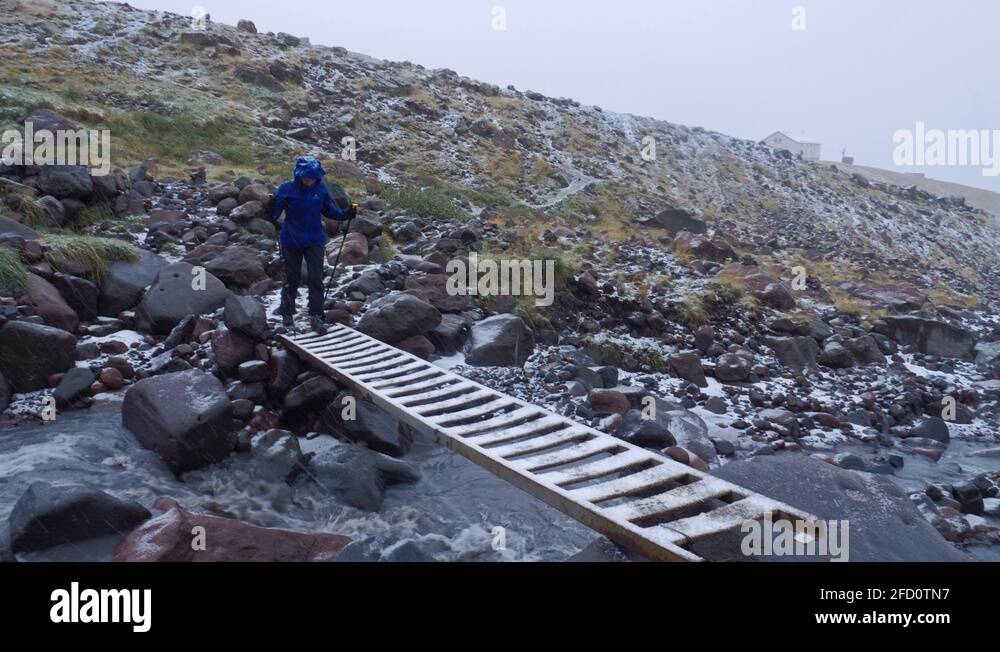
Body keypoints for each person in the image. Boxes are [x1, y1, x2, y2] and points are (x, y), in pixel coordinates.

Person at [268, 157, 357, 334]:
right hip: (291, 240)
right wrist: (270, 206)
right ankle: (287, 313)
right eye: (307, 177)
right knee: (291, 279)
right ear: (298, 175)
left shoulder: (321, 189)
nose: (310, 181)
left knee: (316, 279)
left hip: (315, 240)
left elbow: (331, 211)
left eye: (314, 178)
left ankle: (316, 317)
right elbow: (273, 215)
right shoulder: (287, 188)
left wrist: (347, 213)